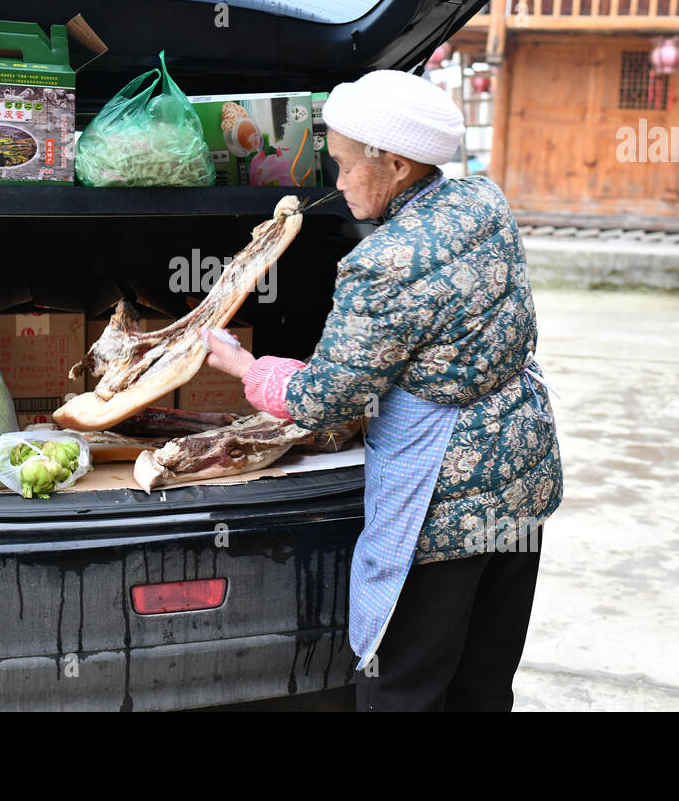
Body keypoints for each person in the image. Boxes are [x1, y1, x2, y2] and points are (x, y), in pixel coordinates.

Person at [198, 69, 563, 712]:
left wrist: (240, 363)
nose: (334, 184)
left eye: (340, 165)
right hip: (521, 474)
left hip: (444, 497)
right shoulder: (484, 201)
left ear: (394, 163)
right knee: (482, 683)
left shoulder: (381, 262)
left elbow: (323, 400)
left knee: (403, 687)